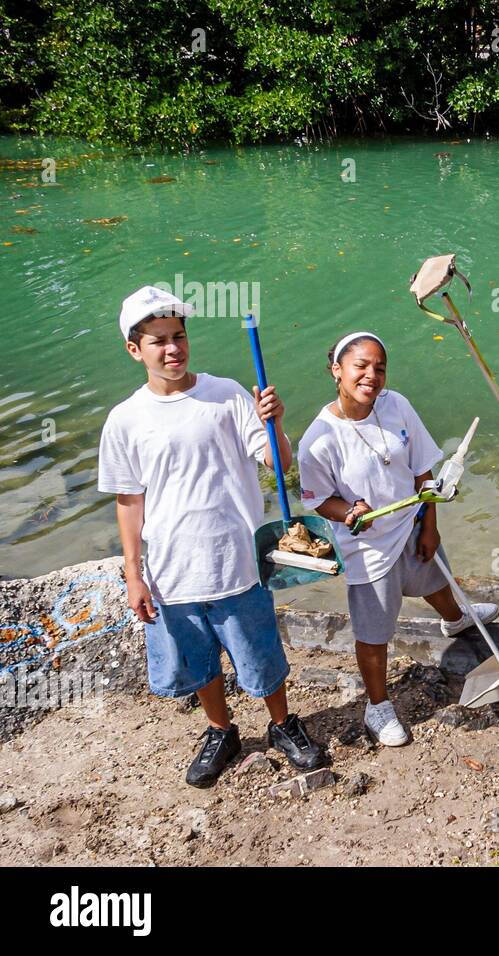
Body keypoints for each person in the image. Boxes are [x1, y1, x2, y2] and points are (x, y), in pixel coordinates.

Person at [97, 286, 328, 787]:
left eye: (178, 336)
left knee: (261, 654)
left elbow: (278, 464)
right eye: (157, 341)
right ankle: (220, 730)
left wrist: (277, 424)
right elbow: (128, 501)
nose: (172, 348)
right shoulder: (124, 420)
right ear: (135, 350)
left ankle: (284, 724)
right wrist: (133, 574)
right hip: (173, 570)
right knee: (197, 659)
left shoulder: (226, 395)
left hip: (239, 558)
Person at [297, 331, 498, 746]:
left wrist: (429, 523)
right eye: (361, 366)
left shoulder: (396, 405)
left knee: (434, 577)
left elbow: (424, 471)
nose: (372, 375)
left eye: (380, 368)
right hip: (366, 545)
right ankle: (378, 705)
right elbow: (318, 500)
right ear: (337, 370)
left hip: (410, 520)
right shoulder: (318, 440)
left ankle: (454, 620)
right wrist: (349, 513)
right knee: (374, 633)